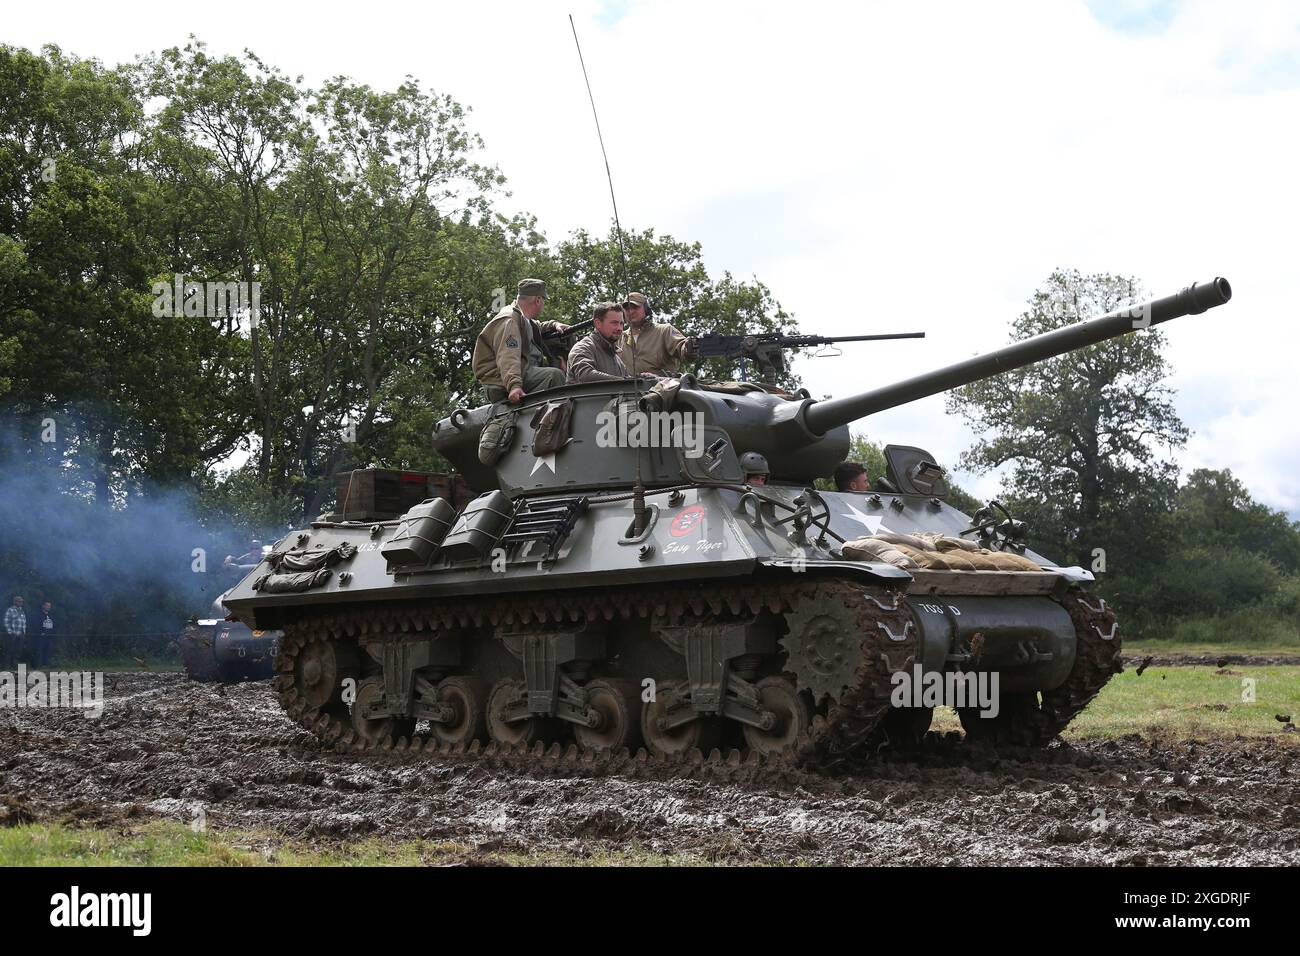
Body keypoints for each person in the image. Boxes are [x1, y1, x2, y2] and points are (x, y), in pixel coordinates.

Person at [472, 278, 570, 404]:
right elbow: (507, 356)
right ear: (538, 300)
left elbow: (536, 326)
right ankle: (556, 419)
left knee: (557, 370)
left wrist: (554, 324)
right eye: (544, 300)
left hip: (518, 373)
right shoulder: (510, 321)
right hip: (500, 383)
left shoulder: (521, 316)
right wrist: (514, 386)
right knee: (554, 376)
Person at [620, 292, 696, 377]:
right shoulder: (619, 338)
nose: (631, 311)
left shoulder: (664, 331)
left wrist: (689, 347)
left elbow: (682, 346)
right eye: (627, 308)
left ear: (646, 309)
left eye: (635, 307)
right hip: (626, 389)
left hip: (662, 387)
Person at [567, 302, 641, 383]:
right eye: (614, 323)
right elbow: (585, 375)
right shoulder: (583, 347)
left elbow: (626, 381)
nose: (620, 328)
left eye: (621, 323)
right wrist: (624, 381)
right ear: (598, 323)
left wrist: (640, 378)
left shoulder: (616, 358)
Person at [3, 595, 27, 667]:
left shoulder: (22, 610)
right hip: (12, 634)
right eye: (19, 601)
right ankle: (7, 666)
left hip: (21, 634)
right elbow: (6, 621)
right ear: (15, 602)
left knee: (18, 651)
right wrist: (10, 632)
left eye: (22, 602)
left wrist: (24, 632)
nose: (21, 603)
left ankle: (15, 665)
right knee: (9, 650)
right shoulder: (10, 610)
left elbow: (24, 622)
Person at [31, 600, 54, 668]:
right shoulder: (38, 615)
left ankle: (45, 665)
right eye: (47, 605)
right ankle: (37, 665)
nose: (48, 607)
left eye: (49, 606)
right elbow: (35, 625)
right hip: (40, 637)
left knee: (47, 651)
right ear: (43, 606)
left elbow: (54, 626)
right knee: (38, 651)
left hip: (49, 637)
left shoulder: (51, 616)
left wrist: (52, 634)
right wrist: (41, 632)